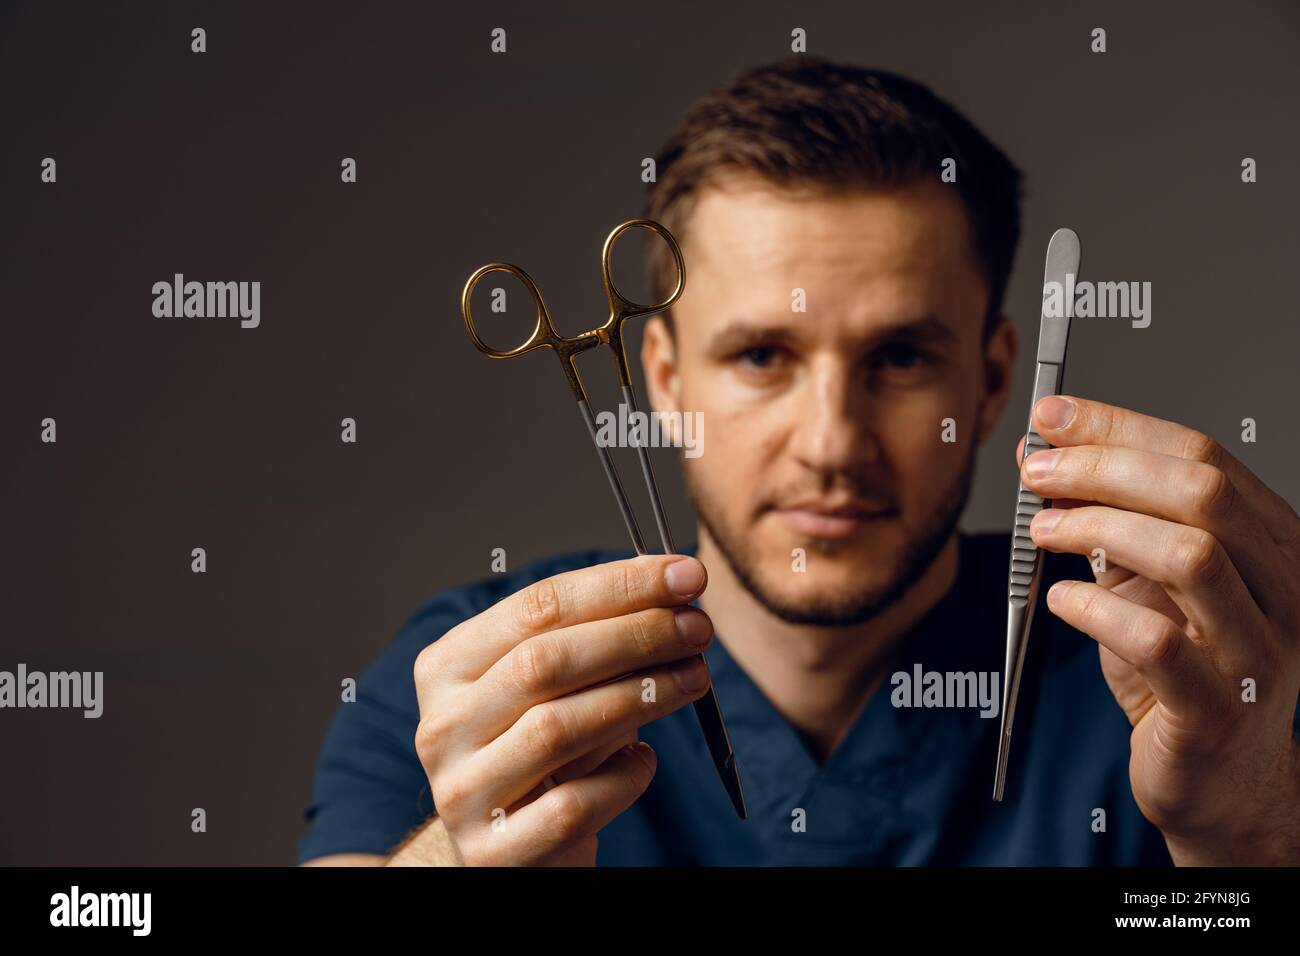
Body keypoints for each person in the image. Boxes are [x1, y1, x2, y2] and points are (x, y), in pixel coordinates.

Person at [298, 57, 1300, 866]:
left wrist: (1243, 838)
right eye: (761, 356)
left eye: (900, 357)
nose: (830, 442)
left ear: (996, 382)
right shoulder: (482, 684)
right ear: (663, 372)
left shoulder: (1189, 671)